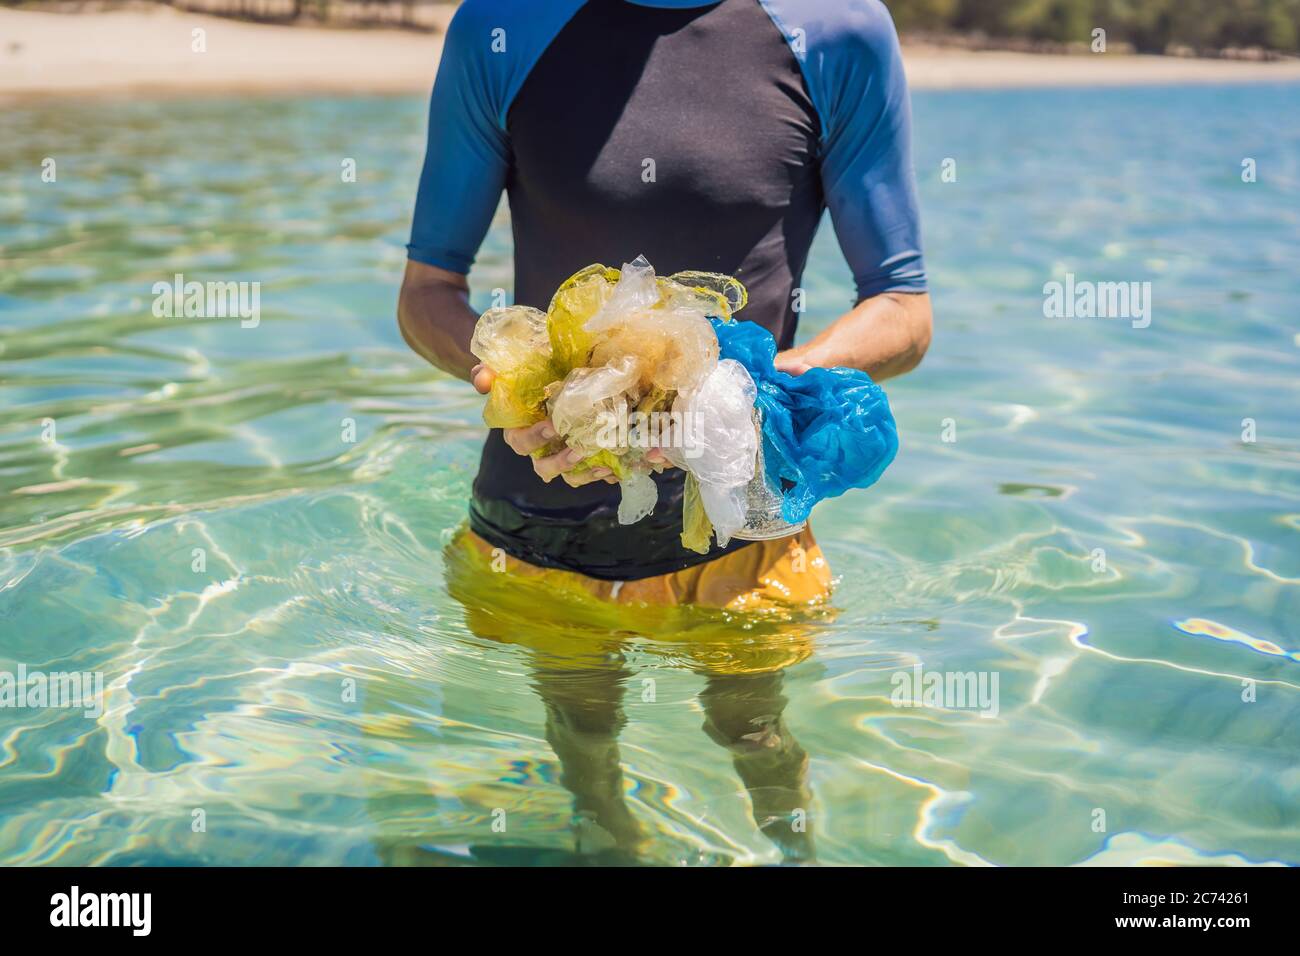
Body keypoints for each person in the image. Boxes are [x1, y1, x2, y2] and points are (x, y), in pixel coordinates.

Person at [398, 0, 931, 862]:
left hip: (740, 525)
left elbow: (904, 311)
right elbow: (426, 293)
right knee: (586, 750)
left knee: (756, 739)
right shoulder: (500, 25)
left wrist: (749, 389)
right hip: (542, 520)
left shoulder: (836, 29)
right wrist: (520, 386)